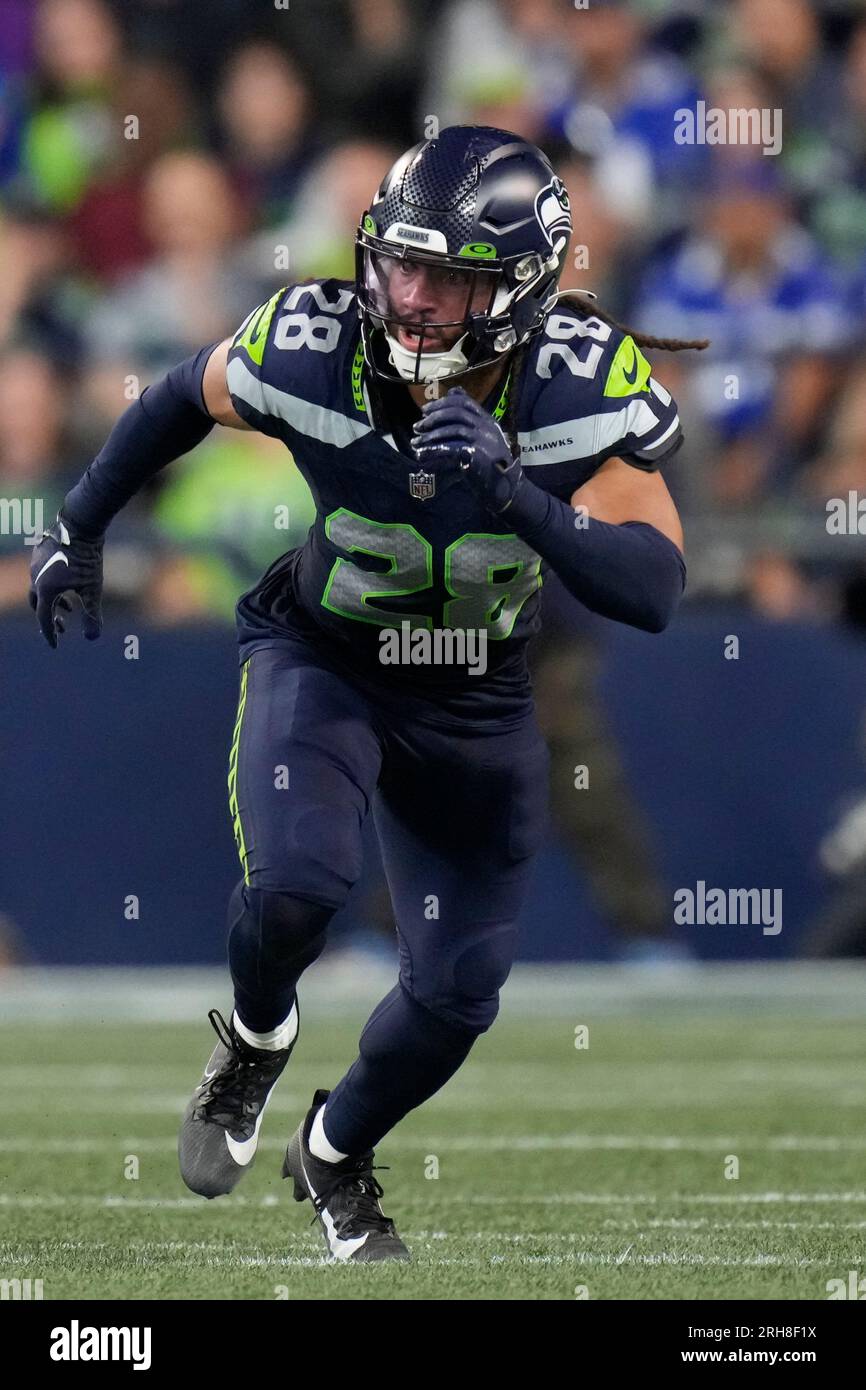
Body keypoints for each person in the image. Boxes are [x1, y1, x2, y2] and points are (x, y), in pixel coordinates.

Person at [29, 126, 700, 1263]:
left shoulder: (575, 380)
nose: (411, 297)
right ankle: (252, 1036)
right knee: (294, 887)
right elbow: (179, 397)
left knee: (455, 998)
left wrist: (522, 497)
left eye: (448, 275)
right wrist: (79, 524)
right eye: (400, 262)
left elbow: (655, 587)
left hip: (477, 694)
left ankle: (334, 1153)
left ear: (521, 288)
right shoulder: (315, 345)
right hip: (325, 653)